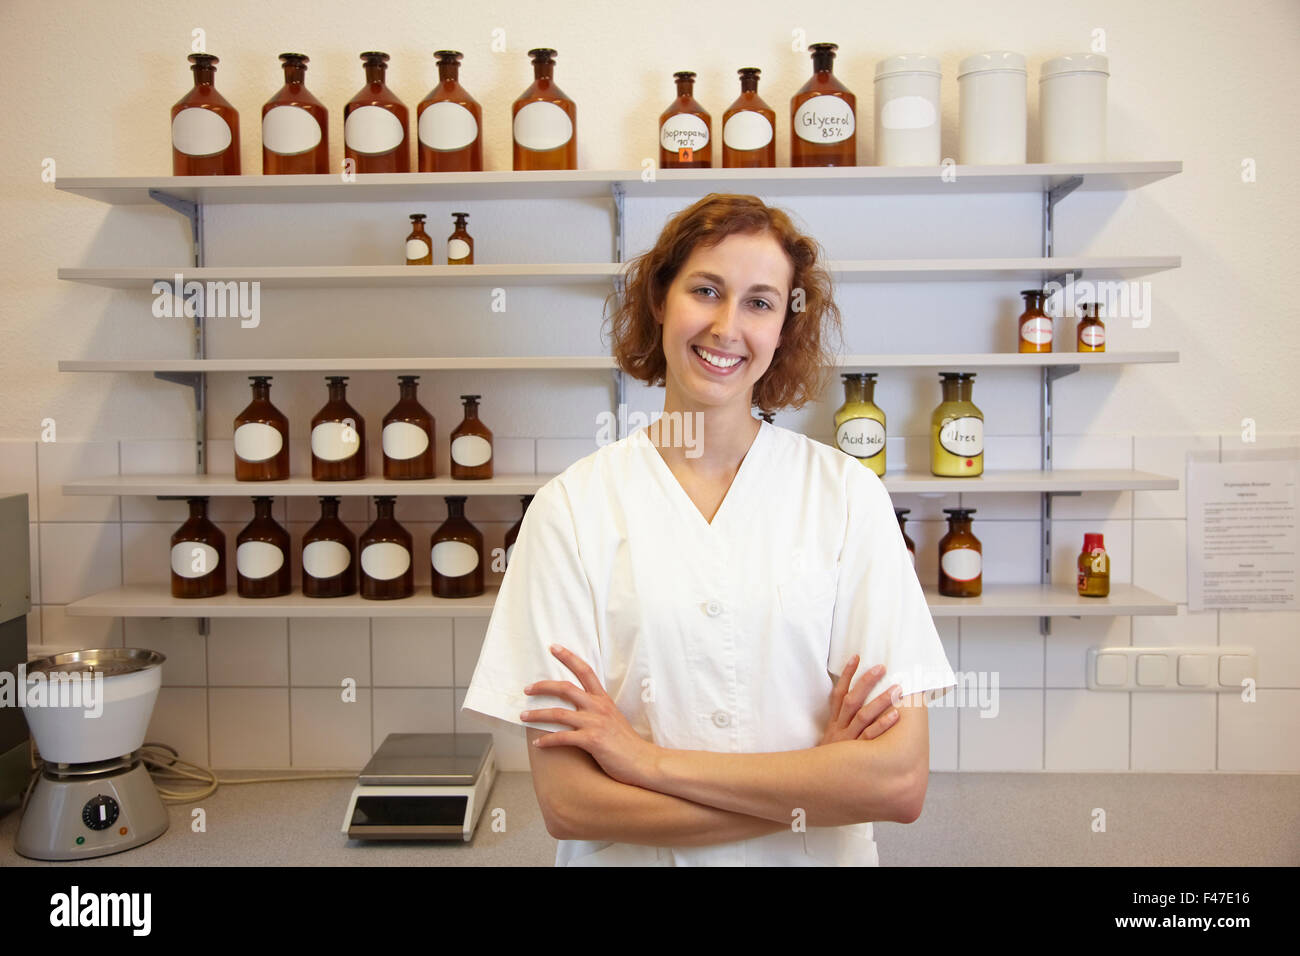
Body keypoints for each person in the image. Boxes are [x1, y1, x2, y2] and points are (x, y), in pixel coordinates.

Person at [461, 193, 956, 865]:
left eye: (759, 302)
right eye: (706, 290)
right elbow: (571, 805)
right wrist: (820, 782)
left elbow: (897, 783)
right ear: (660, 299)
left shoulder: (848, 499)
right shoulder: (569, 511)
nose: (727, 327)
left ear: (785, 328)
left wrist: (641, 761)